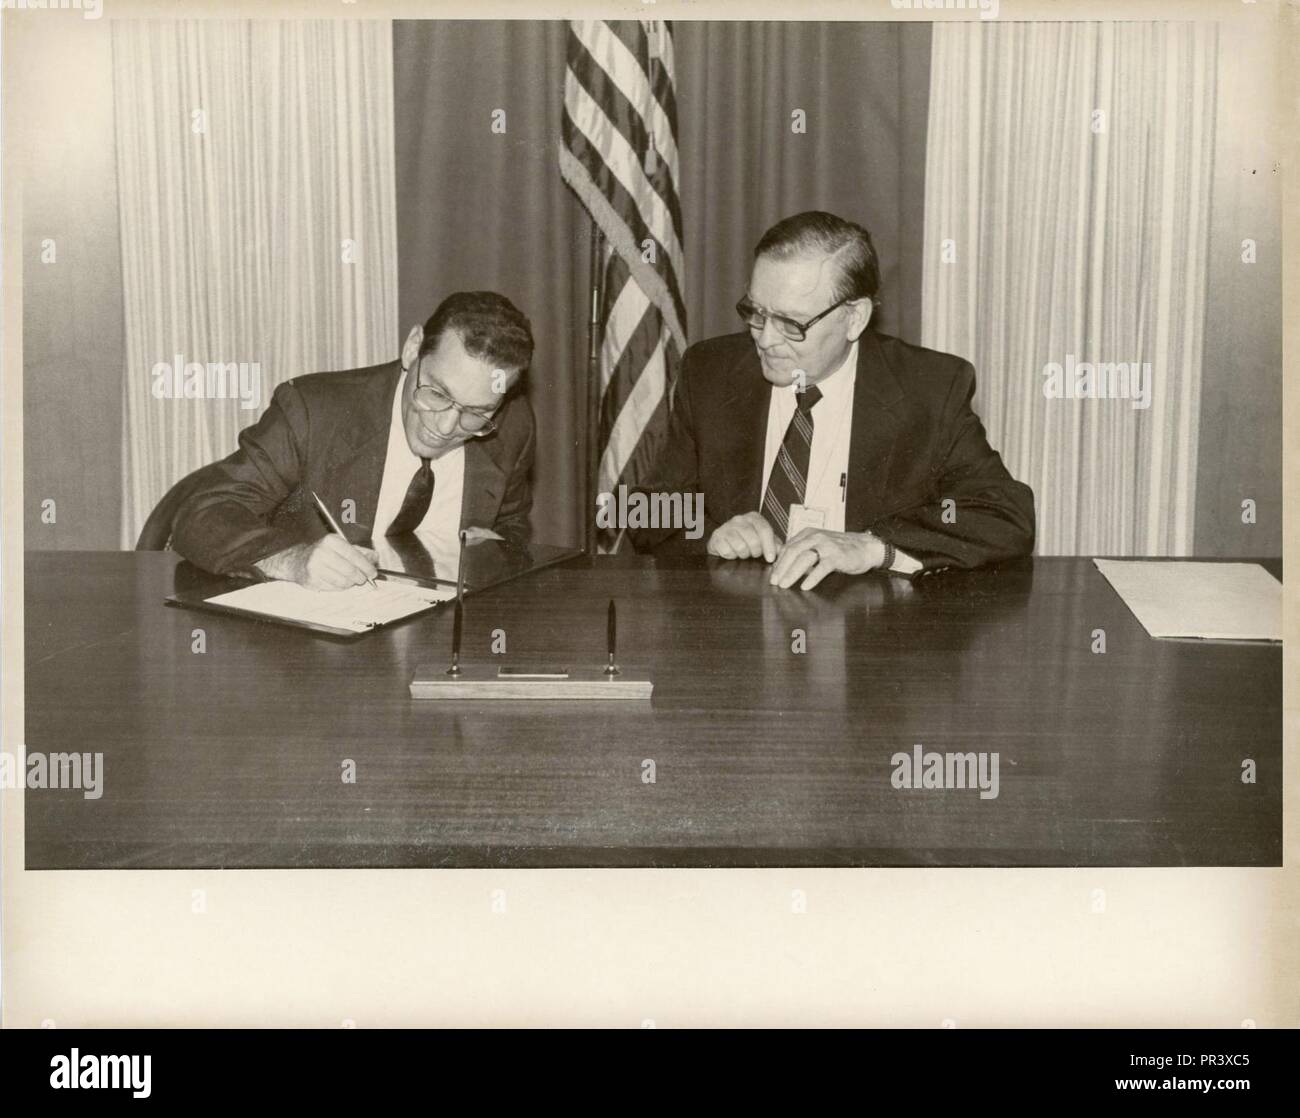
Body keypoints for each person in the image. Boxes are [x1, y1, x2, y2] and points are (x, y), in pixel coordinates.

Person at [634, 211, 1034, 588]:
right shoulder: (710, 372)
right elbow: (642, 509)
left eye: (791, 323)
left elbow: (1005, 515)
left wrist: (874, 547)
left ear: (854, 317)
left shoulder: (928, 388)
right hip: (738, 628)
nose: (764, 338)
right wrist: (708, 533)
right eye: (756, 312)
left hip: (867, 634)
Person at [172, 291, 536, 588]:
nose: (445, 427)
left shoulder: (512, 426)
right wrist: (291, 560)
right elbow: (203, 512)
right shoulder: (315, 411)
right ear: (413, 348)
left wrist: (494, 551)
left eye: (475, 413)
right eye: (437, 394)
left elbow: (510, 523)